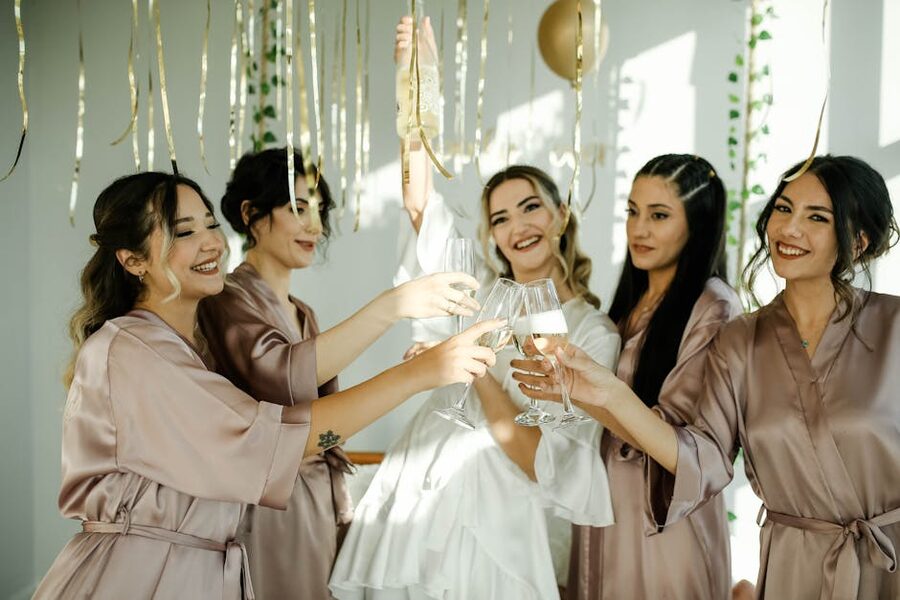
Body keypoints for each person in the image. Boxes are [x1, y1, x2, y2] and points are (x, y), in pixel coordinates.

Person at [34, 172, 501, 599]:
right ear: (133, 259)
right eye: (184, 231)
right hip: (143, 577)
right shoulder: (139, 351)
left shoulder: (183, 347)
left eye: (209, 224)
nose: (211, 242)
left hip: (196, 568)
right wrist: (419, 370)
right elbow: (273, 436)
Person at [515, 155, 900, 599]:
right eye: (782, 208)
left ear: (858, 241)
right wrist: (600, 394)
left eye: (817, 216)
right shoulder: (741, 340)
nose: (789, 228)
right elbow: (705, 459)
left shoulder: (892, 327)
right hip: (793, 568)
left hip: (886, 561)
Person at [328, 19, 619, 600]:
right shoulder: (476, 294)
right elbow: (420, 205)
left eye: (530, 207)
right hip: (422, 487)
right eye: (500, 218)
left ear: (560, 216)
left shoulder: (593, 332)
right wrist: (420, 88)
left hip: (502, 520)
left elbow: (540, 457)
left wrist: (475, 370)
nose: (517, 227)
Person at [197, 148, 481, 599]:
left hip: (315, 500)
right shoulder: (225, 300)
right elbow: (281, 377)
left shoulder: (302, 312)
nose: (315, 225)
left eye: (320, 210)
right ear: (251, 214)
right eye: (298, 207)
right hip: (265, 507)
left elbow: (330, 414)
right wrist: (393, 307)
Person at [573, 153, 742, 599]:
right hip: (606, 511)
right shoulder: (631, 304)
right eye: (632, 211)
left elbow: (692, 448)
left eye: (659, 215)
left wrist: (601, 394)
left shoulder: (713, 308)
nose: (638, 229)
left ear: (697, 223)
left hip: (663, 525)